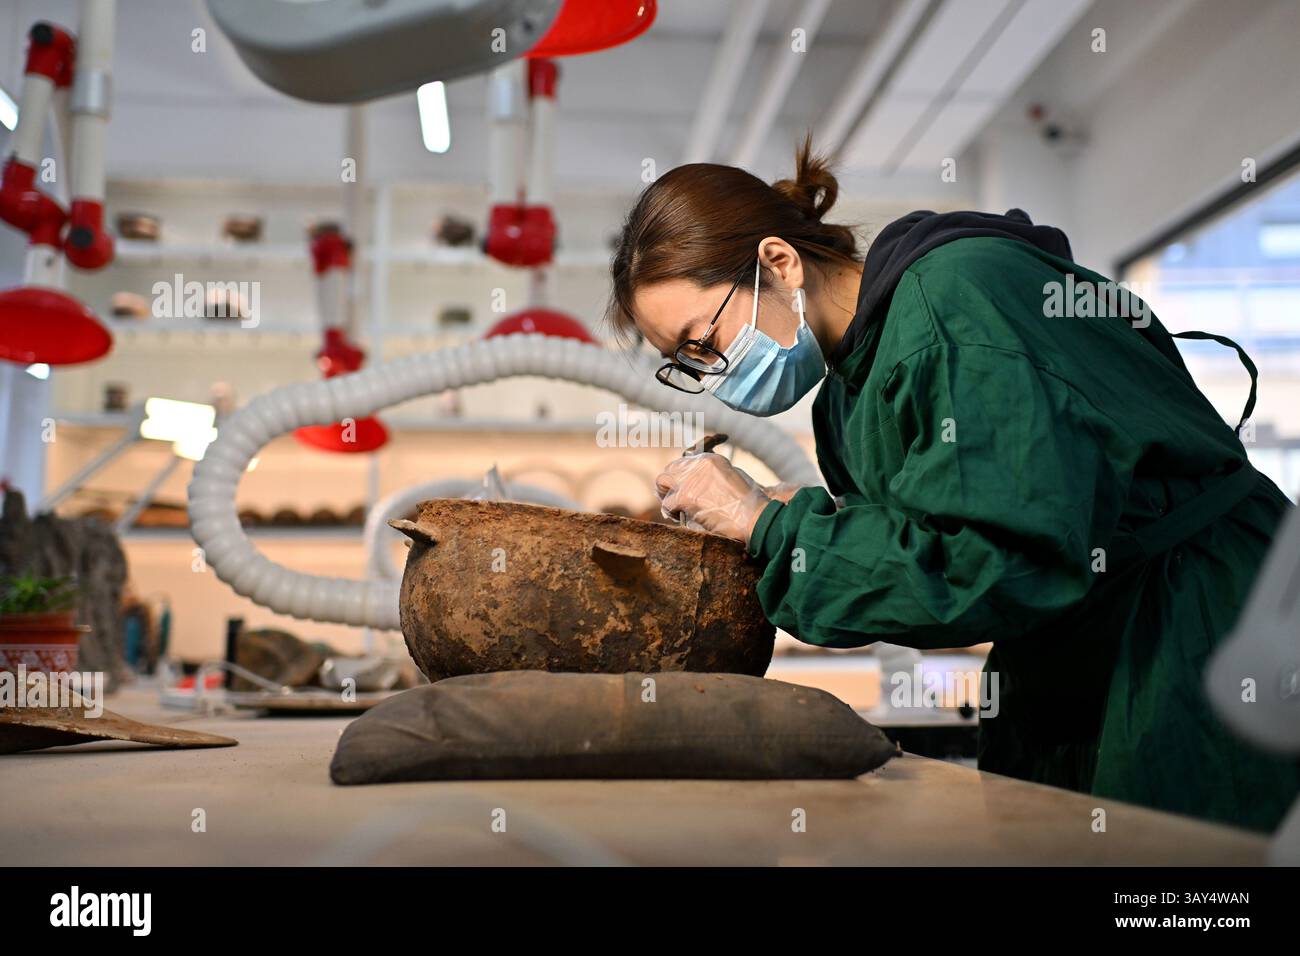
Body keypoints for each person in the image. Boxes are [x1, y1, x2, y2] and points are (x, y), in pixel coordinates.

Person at [605, 135, 1299, 832]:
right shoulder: (846, 398)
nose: (713, 372)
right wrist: (804, 521)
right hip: (1077, 643)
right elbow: (926, 541)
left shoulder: (956, 303)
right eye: (686, 363)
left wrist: (771, 526)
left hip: (1195, 620)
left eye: (703, 341)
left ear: (779, 262)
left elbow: (995, 560)